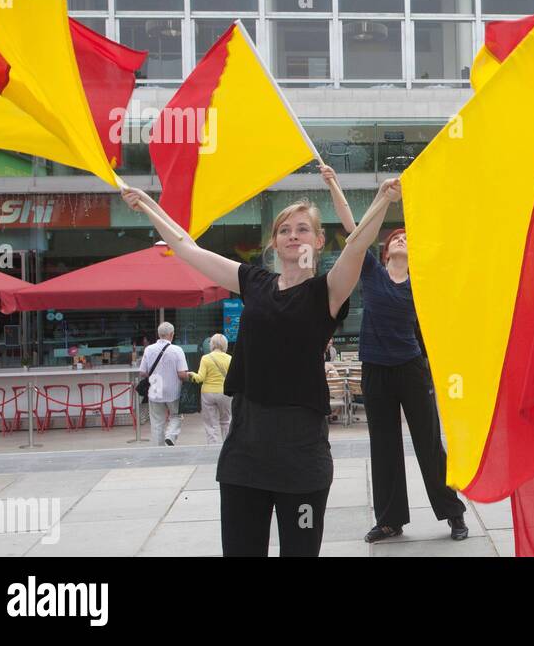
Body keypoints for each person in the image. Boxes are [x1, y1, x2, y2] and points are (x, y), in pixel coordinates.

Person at [119, 172, 397, 558]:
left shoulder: (327, 291)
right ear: (275, 242)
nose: (293, 235)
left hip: (302, 456)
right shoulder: (253, 281)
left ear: (318, 241)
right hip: (246, 451)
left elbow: (356, 246)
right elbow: (187, 248)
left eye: (303, 229)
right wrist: (149, 206)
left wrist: (382, 200)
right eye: (285, 229)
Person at [322, 165, 469, 544]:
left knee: (428, 442)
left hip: (410, 367)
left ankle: (453, 513)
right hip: (375, 368)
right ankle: (390, 520)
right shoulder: (370, 270)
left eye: (407, 236)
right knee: (383, 445)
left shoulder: (421, 282)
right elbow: (355, 227)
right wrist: (335, 182)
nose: (402, 239)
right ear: (387, 250)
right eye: (397, 236)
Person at [138, 322, 189, 447]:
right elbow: (182, 374)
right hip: (173, 391)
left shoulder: (149, 349)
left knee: (156, 422)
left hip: (155, 390)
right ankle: (170, 436)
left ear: (159, 334)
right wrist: (192, 377)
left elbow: (142, 372)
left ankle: (158, 449)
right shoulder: (177, 350)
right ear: (171, 334)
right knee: (176, 416)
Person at [189, 333, 232, 444]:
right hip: (224, 393)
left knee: (210, 424)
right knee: (226, 421)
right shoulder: (229, 359)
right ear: (225, 345)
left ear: (211, 344)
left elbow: (200, 378)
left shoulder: (206, 358)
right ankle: (227, 447)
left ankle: (212, 448)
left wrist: (191, 374)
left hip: (208, 394)